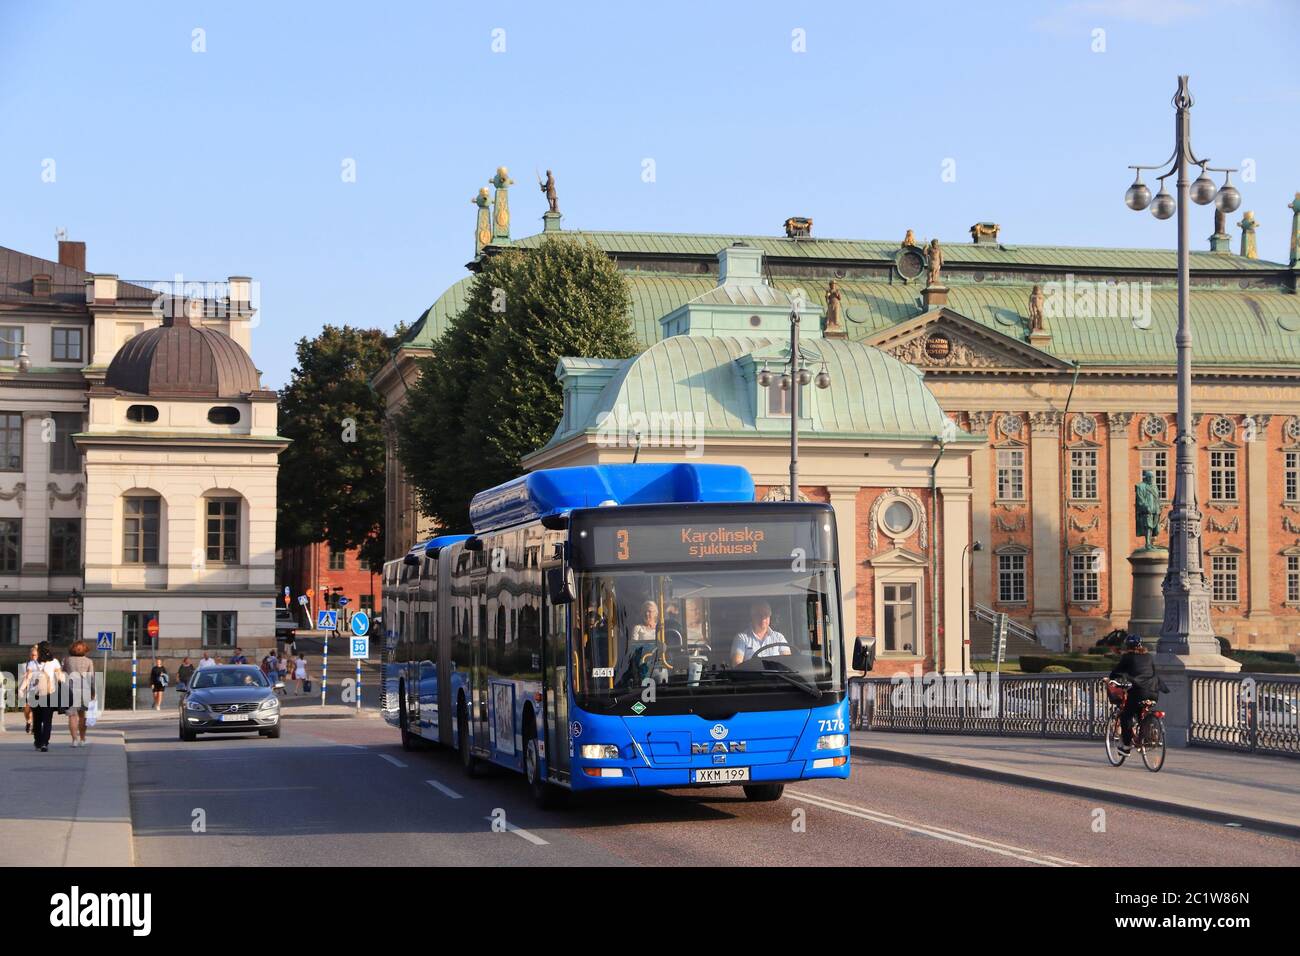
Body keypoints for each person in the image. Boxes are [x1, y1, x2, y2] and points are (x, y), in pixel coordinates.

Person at [1108, 634, 1169, 753]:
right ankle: (1145, 737)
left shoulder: (1128, 657)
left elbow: (1115, 673)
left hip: (1138, 691)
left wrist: (1113, 680)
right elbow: (1151, 673)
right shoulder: (1149, 657)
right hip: (1154, 692)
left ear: (1128, 646)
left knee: (1126, 716)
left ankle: (1126, 746)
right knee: (1141, 712)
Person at [18, 642, 65, 752]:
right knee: (47, 720)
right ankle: (45, 743)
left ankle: (37, 742)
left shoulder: (32, 663)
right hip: (49, 694)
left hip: (35, 695)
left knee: (37, 719)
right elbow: (60, 677)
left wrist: (21, 689)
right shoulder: (54, 662)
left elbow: (28, 678)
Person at [730, 601, 791, 665]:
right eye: (759, 615)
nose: (763, 618)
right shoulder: (742, 638)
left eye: (766, 615)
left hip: (776, 675)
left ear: (770, 617)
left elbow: (788, 663)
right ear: (752, 617)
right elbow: (737, 664)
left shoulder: (779, 637)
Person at [62, 641, 95, 748]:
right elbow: (91, 678)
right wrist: (93, 692)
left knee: (72, 716)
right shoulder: (89, 661)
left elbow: (62, 674)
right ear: (85, 649)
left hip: (70, 690)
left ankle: (74, 740)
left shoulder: (66, 660)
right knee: (82, 716)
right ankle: (82, 738)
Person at [22, 644, 39, 734]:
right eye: (32, 655)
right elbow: (23, 678)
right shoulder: (26, 665)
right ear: (30, 655)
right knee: (26, 710)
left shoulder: (41, 664)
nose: (33, 657)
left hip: (37, 691)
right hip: (28, 689)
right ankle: (28, 721)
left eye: (35, 655)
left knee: (35, 709)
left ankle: (34, 727)